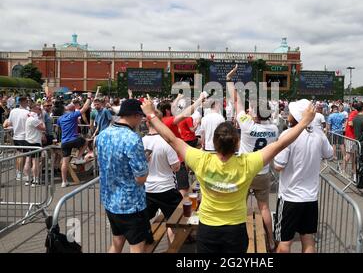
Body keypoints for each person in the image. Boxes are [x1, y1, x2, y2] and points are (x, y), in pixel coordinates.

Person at [140, 91, 316, 252]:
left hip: (208, 229)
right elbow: (281, 144)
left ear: (214, 144)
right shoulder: (248, 163)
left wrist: (150, 114)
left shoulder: (200, 159)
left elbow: (171, 138)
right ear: (238, 144)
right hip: (235, 230)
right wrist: (304, 122)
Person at [226, 65, 278, 251]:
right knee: (264, 207)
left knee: (238, 206)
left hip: (246, 170)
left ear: (255, 114)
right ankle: (271, 240)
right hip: (263, 172)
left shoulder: (247, 125)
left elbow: (236, 100)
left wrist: (229, 79)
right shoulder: (274, 129)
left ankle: (234, 241)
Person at [273, 99, 334, 253]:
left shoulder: (287, 135)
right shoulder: (319, 134)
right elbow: (330, 154)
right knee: (307, 240)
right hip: (310, 197)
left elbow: (278, 166)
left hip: (290, 197)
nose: (288, 114)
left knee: (284, 242)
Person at [96, 99, 153, 253]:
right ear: (134, 116)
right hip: (130, 204)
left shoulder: (103, 134)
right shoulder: (132, 138)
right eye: (141, 117)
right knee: (138, 246)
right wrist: (144, 161)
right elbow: (141, 178)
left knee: (117, 242)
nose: (141, 120)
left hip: (110, 200)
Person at [142, 110, 181, 243]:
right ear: (161, 123)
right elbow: (176, 166)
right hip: (166, 188)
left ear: (147, 123)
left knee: (143, 218)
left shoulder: (140, 141)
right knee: (175, 221)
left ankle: (145, 240)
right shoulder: (166, 142)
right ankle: (174, 247)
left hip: (147, 189)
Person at [57, 97, 91, 187]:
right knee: (86, 142)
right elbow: (85, 108)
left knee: (65, 162)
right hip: (74, 139)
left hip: (64, 142)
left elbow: (59, 127)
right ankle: (78, 157)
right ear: (73, 109)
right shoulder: (73, 115)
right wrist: (88, 97)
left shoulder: (60, 119)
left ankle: (64, 182)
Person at [3, 96, 29, 180]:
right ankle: (19, 173)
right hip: (23, 136)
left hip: (16, 136)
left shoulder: (13, 111)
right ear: (23, 102)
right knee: (22, 156)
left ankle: (19, 173)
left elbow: (9, 123)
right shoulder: (27, 112)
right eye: (26, 101)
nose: (27, 103)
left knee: (19, 155)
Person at [23, 103, 46, 187]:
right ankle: (35, 180)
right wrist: (42, 121)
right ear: (34, 110)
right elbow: (43, 128)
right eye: (38, 109)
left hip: (28, 141)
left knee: (28, 160)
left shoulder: (29, 118)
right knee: (34, 162)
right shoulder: (33, 119)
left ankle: (28, 179)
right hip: (34, 142)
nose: (40, 111)